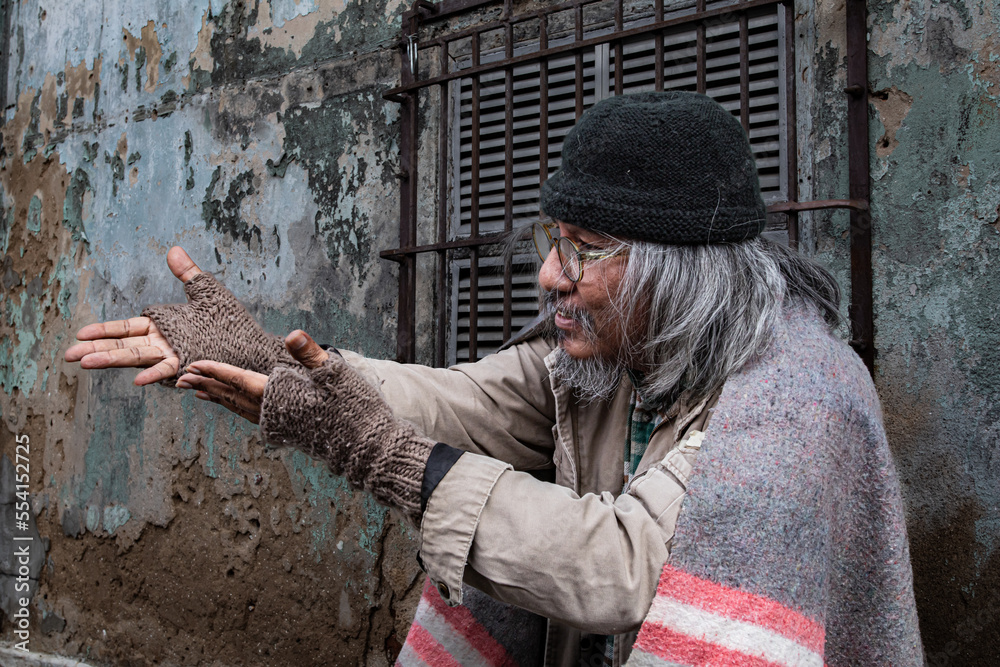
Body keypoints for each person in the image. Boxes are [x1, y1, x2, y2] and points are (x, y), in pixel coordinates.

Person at [65, 92, 923, 666]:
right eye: (554, 239)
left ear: (676, 270)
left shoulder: (798, 402)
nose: (550, 275)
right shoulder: (615, 358)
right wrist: (270, 359)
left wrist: (374, 450)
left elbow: (624, 564)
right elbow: (461, 401)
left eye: (582, 248)